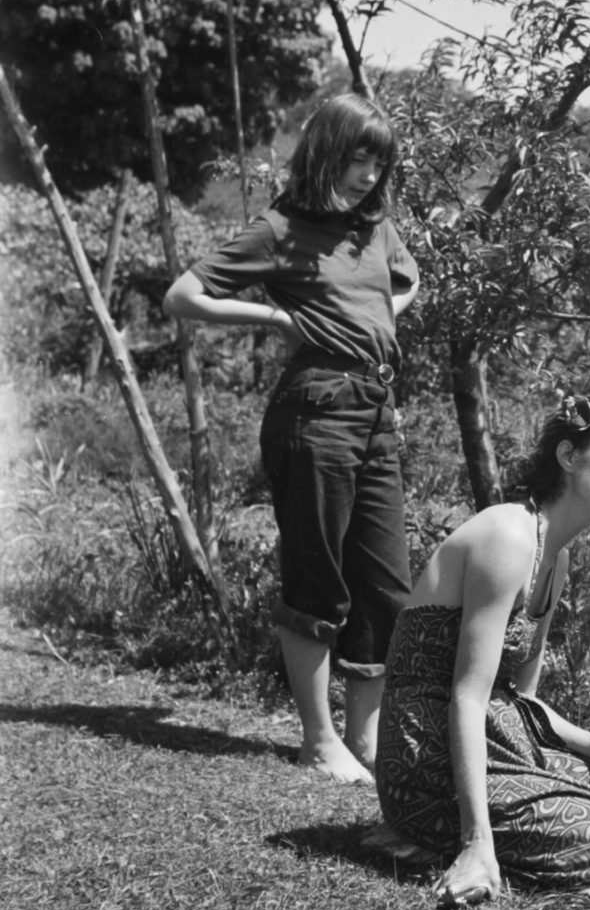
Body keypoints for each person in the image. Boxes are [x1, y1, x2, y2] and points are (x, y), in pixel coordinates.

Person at [164, 92, 417, 784]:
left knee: (386, 585)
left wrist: (373, 324)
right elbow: (183, 296)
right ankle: (319, 740)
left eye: (379, 161)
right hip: (315, 408)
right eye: (358, 157)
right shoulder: (279, 227)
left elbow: (406, 283)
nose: (368, 174)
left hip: (374, 408)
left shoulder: (375, 228)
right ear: (326, 151)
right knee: (318, 576)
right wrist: (276, 320)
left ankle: (366, 741)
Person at [375, 396, 590, 906]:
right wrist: (476, 843)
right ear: (568, 456)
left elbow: (517, 699)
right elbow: (468, 699)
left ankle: (469, 843)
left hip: (501, 746)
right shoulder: (507, 537)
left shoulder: (554, 558)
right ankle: (444, 837)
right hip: (428, 762)